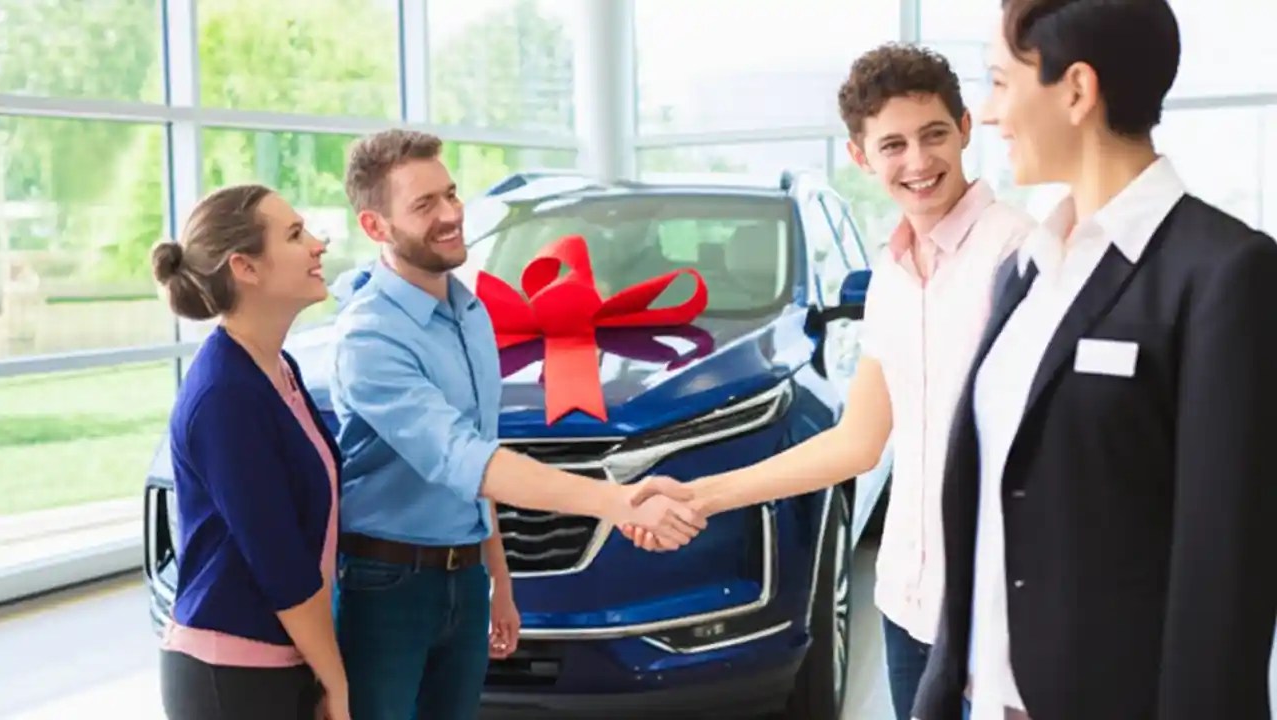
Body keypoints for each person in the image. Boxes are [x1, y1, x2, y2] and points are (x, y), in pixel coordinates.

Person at [622, 43, 1035, 720]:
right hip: (907, 604)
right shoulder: (892, 277)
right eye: (893, 144)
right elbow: (856, 443)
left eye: (934, 134)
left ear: (966, 127)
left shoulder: (1019, 256)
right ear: (861, 156)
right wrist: (698, 495)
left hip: (1001, 610)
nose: (919, 161)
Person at [909, 1, 1277, 719]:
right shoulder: (1026, 268)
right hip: (985, 700)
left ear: (1076, 90)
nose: (986, 114)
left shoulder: (1224, 273)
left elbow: (1224, 568)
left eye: (1000, 83)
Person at [330, 129, 705, 720]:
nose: (452, 215)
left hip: (464, 576)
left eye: (450, 194)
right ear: (376, 227)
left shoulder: (469, 309)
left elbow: (482, 455)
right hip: (387, 586)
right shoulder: (369, 336)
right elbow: (465, 460)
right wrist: (620, 502)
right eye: (425, 205)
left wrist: (497, 581)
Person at [152, 184, 350, 720]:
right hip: (233, 679)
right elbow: (281, 563)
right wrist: (335, 681)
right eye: (294, 234)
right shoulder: (225, 395)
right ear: (246, 267)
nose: (317, 244)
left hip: (280, 661)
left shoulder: (277, 367)